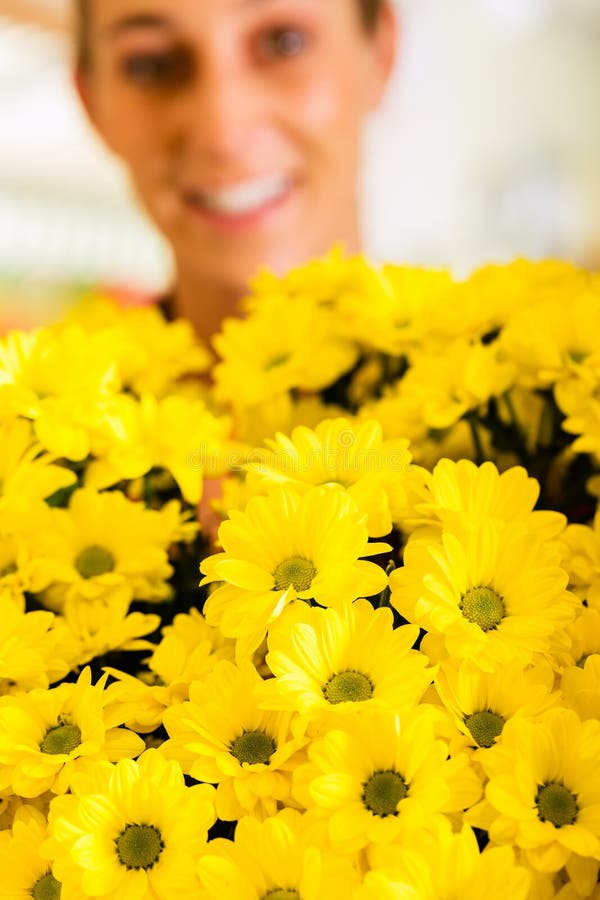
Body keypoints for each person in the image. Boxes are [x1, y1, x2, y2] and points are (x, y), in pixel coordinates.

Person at [74, 0, 397, 343]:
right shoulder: (22, 391)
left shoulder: (461, 371)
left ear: (379, 53)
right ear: (91, 101)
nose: (223, 135)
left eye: (284, 42)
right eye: (152, 65)